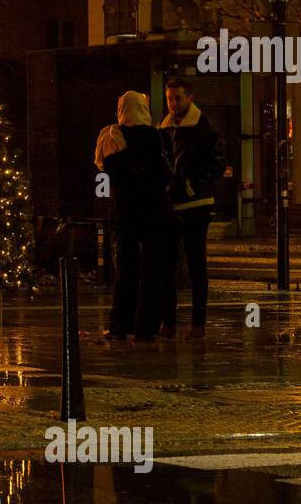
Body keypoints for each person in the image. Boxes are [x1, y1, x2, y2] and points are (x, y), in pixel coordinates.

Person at [94, 91, 173, 341]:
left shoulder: (112, 135)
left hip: (126, 211)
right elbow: (166, 173)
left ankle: (121, 324)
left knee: (126, 268)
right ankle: (147, 326)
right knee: (152, 268)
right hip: (154, 211)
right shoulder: (157, 137)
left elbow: (105, 165)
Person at [158, 77, 225, 340]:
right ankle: (170, 322)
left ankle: (197, 323)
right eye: (169, 99)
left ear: (190, 98)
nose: (173, 104)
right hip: (173, 203)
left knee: (196, 262)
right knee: (169, 263)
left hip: (196, 203)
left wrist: (191, 186)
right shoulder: (165, 129)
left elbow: (217, 163)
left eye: (177, 98)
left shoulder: (205, 127)